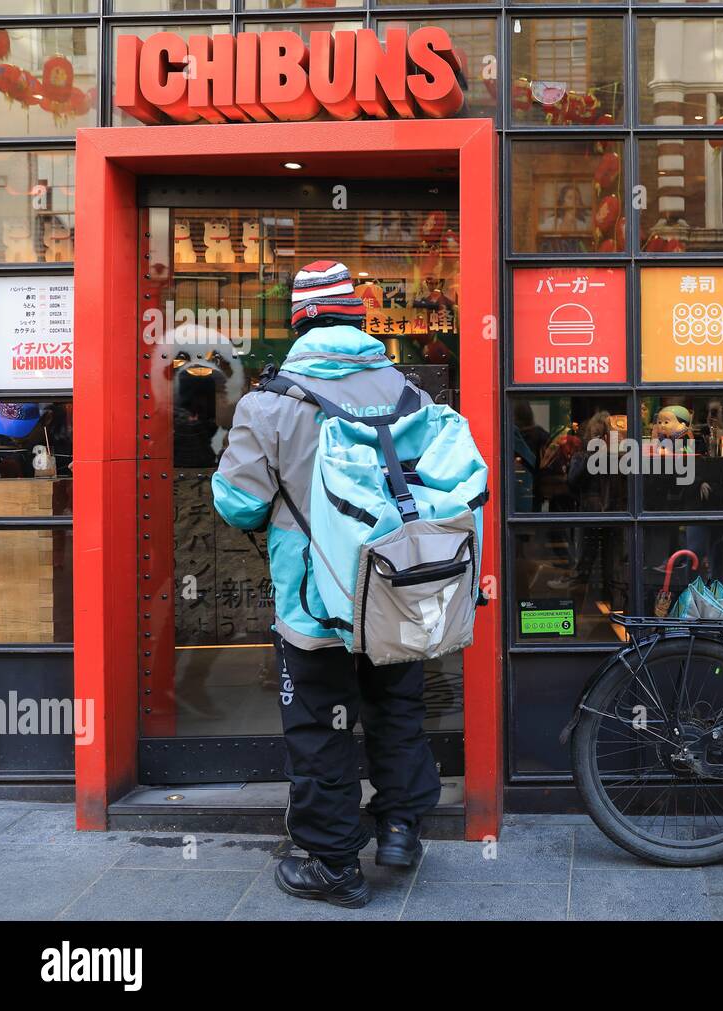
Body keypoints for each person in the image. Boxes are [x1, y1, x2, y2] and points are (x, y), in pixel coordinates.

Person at [211, 260, 440, 909]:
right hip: (395, 588)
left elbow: (236, 504)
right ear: (358, 320)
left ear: (300, 321)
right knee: (396, 708)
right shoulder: (408, 394)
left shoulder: (267, 403)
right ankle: (399, 827)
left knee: (319, 723)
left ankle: (334, 863)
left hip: (314, 599)